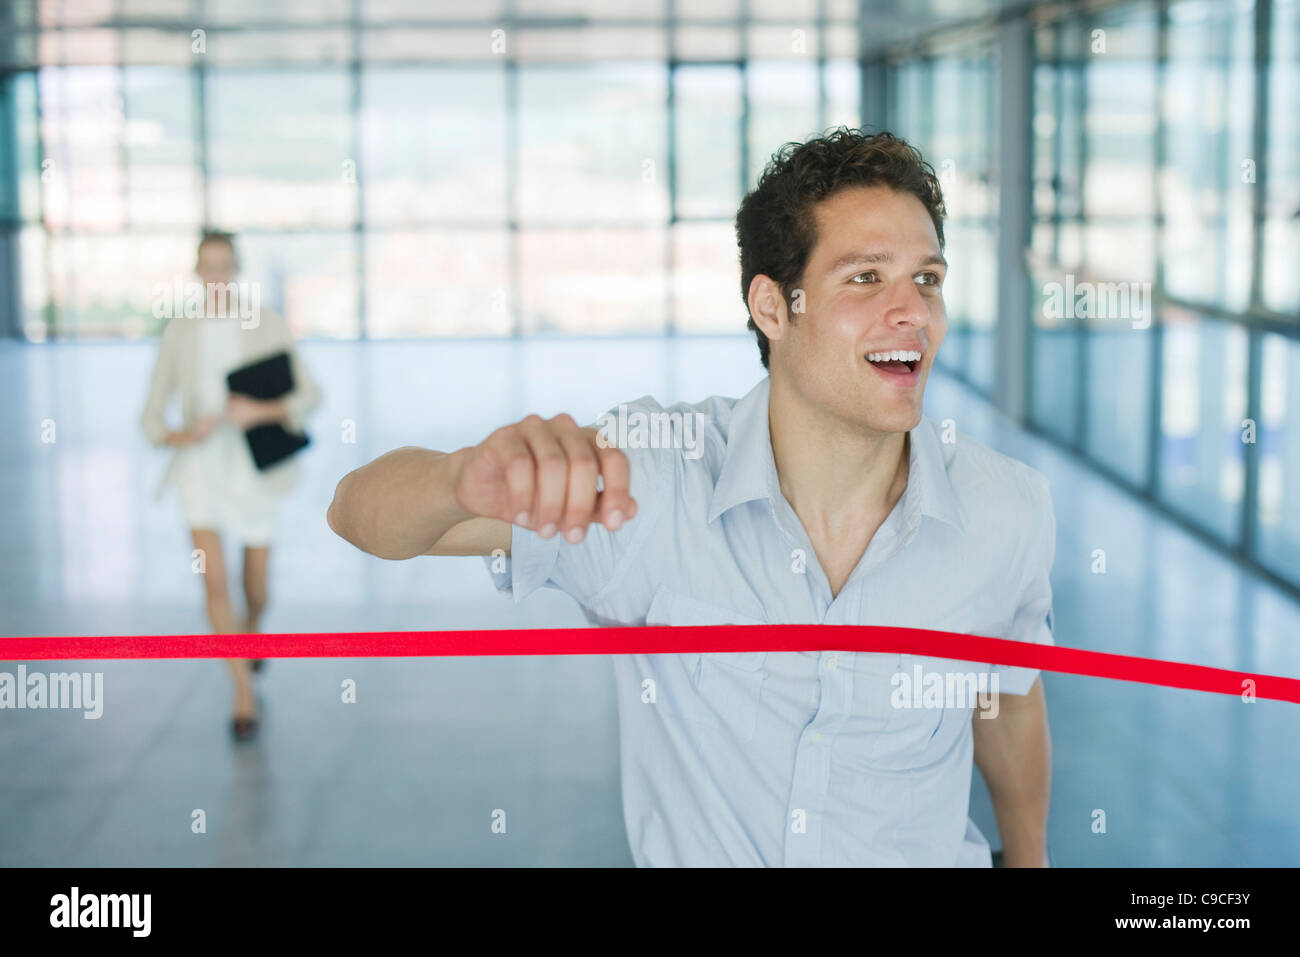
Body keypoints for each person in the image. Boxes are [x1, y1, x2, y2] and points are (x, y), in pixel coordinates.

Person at [326, 128, 1056, 866]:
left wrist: (1030, 858)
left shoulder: (1007, 512)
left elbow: (1009, 698)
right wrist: (459, 480)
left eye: (927, 279)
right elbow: (358, 512)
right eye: (866, 278)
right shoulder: (648, 484)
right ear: (773, 308)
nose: (913, 313)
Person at [141, 230, 322, 743]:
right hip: (199, 469)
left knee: (256, 590)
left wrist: (258, 411)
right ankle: (242, 692)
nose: (216, 277)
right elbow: (151, 418)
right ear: (197, 272)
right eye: (207, 267)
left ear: (236, 270)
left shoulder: (266, 324)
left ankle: (251, 634)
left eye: (224, 266)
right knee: (214, 584)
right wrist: (182, 432)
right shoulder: (179, 331)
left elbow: (310, 396)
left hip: (254, 471)